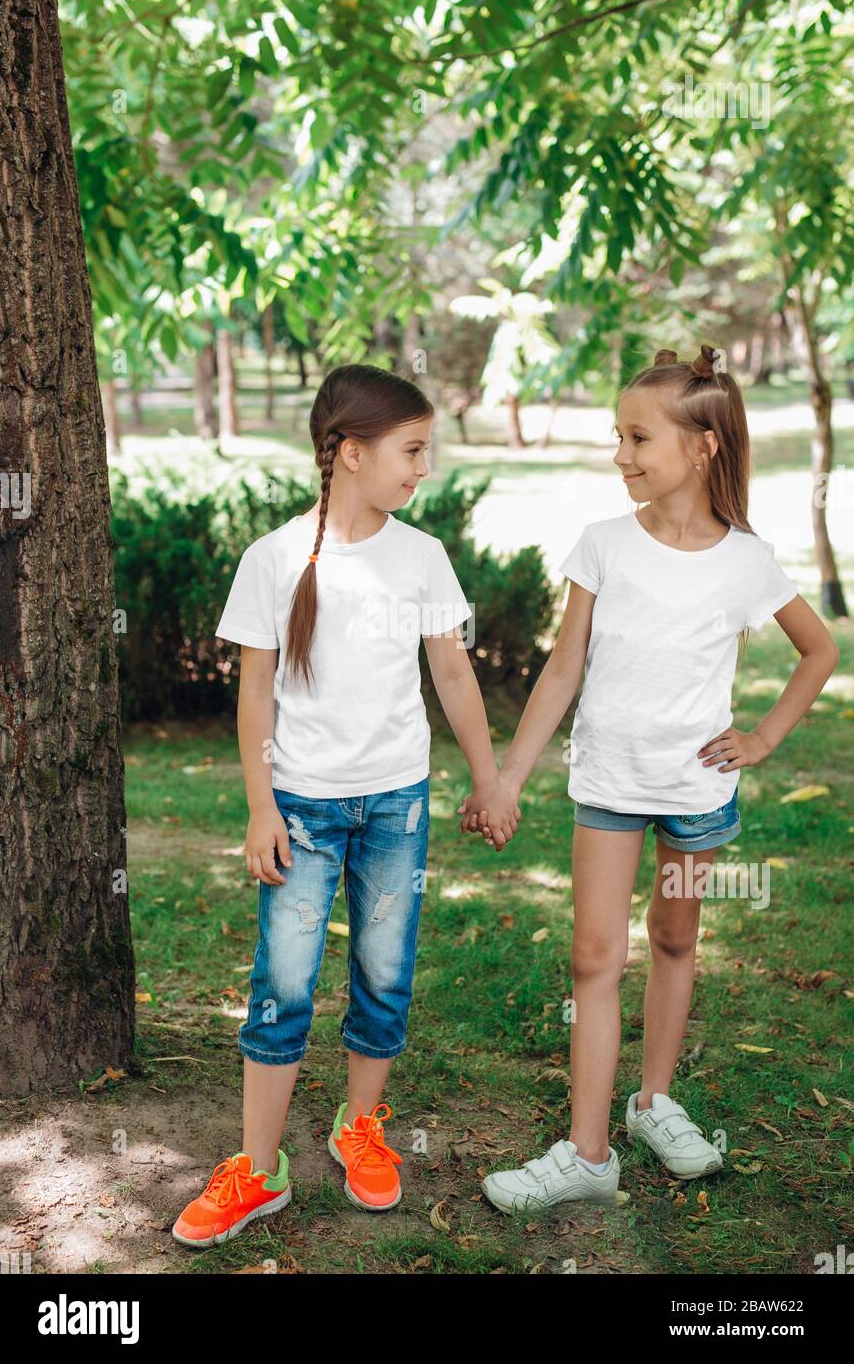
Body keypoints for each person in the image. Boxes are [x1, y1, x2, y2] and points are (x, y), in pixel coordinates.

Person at [460, 344, 839, 1214]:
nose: (621, 455)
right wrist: (510, 777)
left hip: (695, 797)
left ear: (701, 447)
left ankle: (654, 1104)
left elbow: (818, 651)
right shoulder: (602, 545)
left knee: (674, 941)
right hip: (609, 786)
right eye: (618, 437)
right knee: (594, 956)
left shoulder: (745, 558)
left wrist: (764, 736)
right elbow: (562, 671)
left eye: (638, 438)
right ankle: (589, 1154)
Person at [172, 362, 519, 1247]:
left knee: (384, 971)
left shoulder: (422, 556)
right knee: (282, 984)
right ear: (353, 453)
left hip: (397, 805)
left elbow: (451, 670)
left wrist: (488, 776)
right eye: (412, 449)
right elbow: (254, 697)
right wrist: (261, 806)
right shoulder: (275, 558)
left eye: (427, 449)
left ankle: (358, 1128)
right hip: (302, 808)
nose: (423, 467)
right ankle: (259, 1166)